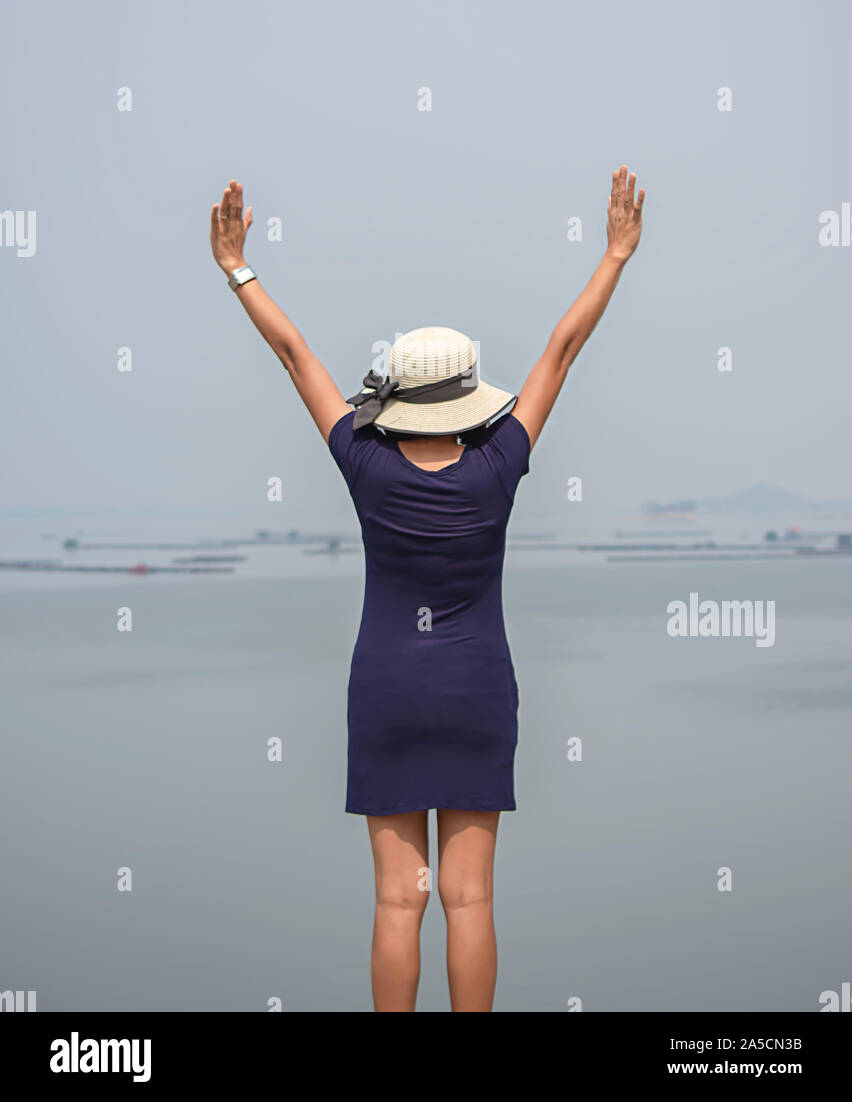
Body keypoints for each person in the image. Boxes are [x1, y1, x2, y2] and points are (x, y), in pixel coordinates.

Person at [209, 167, 645, 1011]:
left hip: (388, 691)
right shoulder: (498, 466)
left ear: (398, 397)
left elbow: (296, 354)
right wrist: (616, 255)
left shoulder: (364, 463)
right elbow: (561, 348)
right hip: (477, 687)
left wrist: (237, 265)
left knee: (395, 900)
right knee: (470, 898)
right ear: (468, 397)